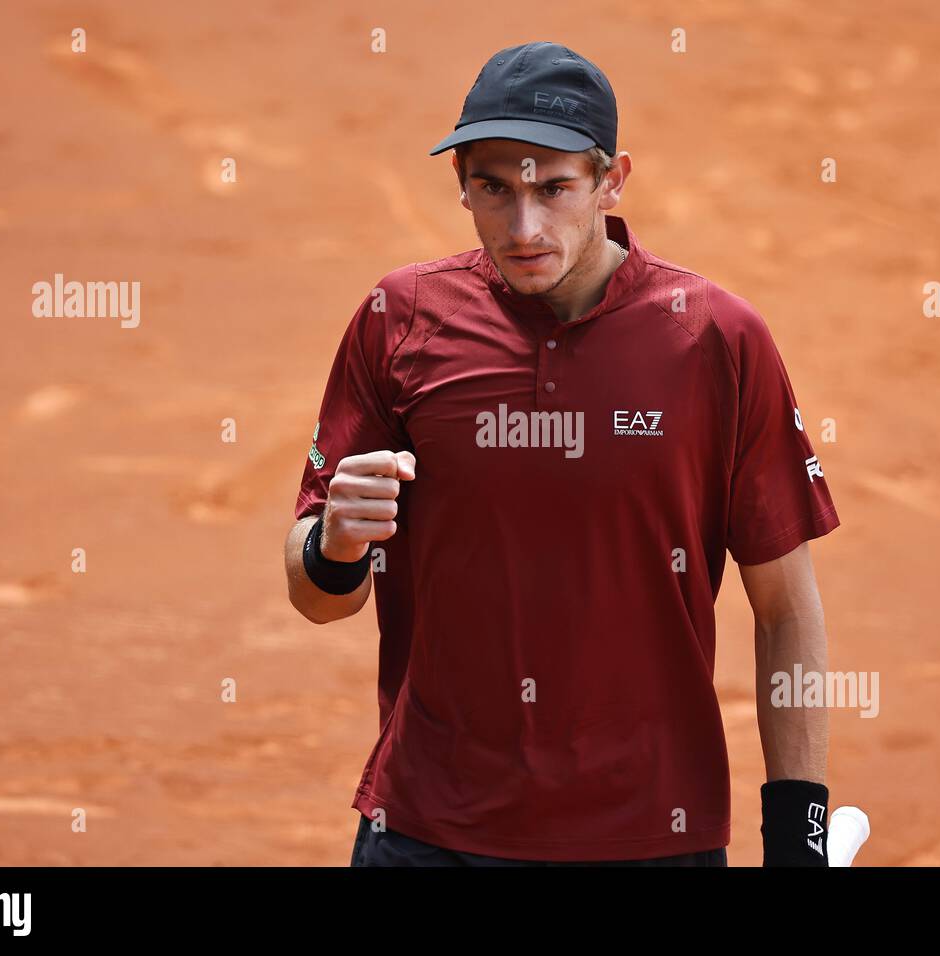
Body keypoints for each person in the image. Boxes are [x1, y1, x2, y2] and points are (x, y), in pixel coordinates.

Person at [284, 41, 840, 867]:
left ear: (612, 180)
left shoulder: (716, 339)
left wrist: (799, 838)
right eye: (494, 191)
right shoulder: (398, 320)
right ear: (462, 185)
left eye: (554, 189)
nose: (524, 227)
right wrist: (334, 546)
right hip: (431, 829)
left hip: (653, 835)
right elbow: (316, 597)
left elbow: (786, 609)